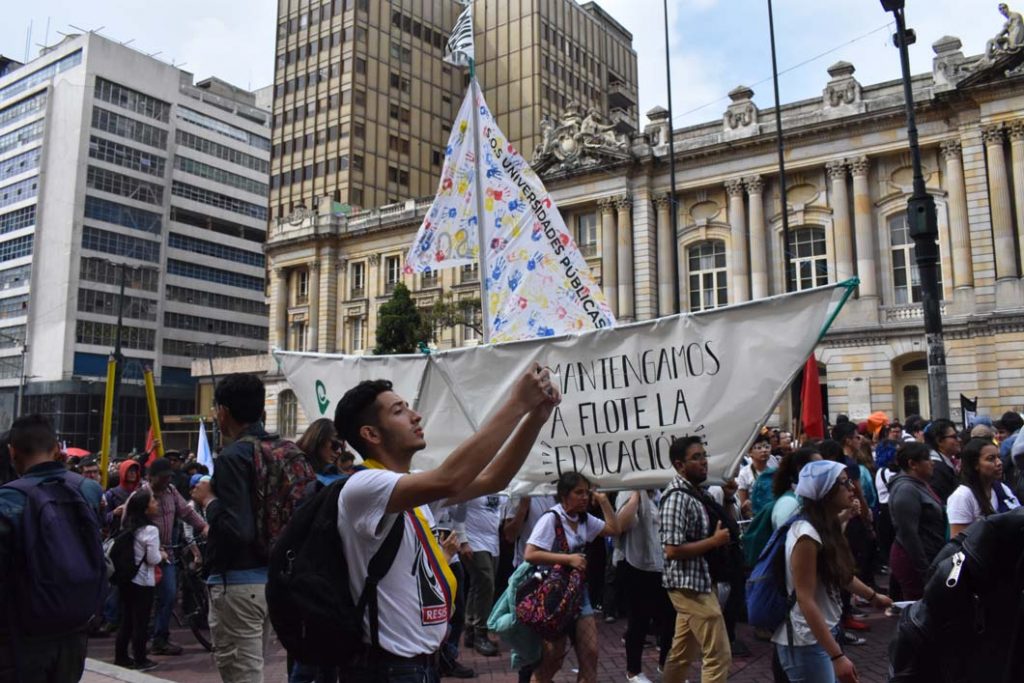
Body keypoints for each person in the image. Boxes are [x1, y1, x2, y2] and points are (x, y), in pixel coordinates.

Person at [333, 366, 559, 682]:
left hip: (423, 664)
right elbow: (451, 478)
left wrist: (536, 416)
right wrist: (517, 404)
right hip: (388, 669)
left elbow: (496, 478)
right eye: (399, 411)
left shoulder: (412, 487)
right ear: (370, 434)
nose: (415, 417)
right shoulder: (362, 486)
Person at [190, 373, 283, 683]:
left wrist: (208, 501)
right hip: (273, 581)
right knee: (252, 670)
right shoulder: (282, 451)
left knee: (242, 676)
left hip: (238, 585)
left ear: (224, 412)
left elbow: (237, 529)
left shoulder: (233, 457)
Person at [0, 414, 104, 683]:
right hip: (75, 628)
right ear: (57, 448)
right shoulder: (88, 490)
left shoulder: (8, 500)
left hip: (22, 636)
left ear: (12, 451)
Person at [772, 460, 893, 683]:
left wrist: (874, 597)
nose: (852, 488)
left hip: (821, 634)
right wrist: (837, 655)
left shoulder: (823, 527)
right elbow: (805, 598)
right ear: (825, 491)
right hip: (805, 640)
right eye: (844, 483)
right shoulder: (806, 535)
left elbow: (840, 574)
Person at [523, 473, 619, 683]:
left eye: (587, 492)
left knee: (590, 653)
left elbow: (614, 529)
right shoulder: (551, 518)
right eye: (579, 493)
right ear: (564, 496)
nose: (585, 497)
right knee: (553, 659)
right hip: (553, 597)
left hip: (578, 593)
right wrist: (568, 559)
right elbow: (530, 554)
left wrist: (603, 501)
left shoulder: (584, 519)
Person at [660, 436, 733, 683]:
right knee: (718, 655)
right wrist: (713, 542)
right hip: (688, 585)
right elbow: (671, 549)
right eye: (696, 457)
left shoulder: (695, 492)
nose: (704, 462)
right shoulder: (677, 497)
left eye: (704, 455)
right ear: (680, 465)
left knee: (682, 653)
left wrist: (730, 497)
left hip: (700, 580)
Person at [145, 457, 207, 656]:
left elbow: (187, 513)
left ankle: (160, 637)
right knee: (144, 600)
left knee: (169, 594)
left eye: (168, 477)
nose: (165, 482)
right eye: (162, 478)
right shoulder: (143, 495)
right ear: (151, 477)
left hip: (167, 554)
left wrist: (204, 527)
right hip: (145, 556)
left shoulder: (172, 492)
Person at [616, 489, 677, 682]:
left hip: (662, 565)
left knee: (670, 619)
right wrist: (636, 493)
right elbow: (621, 525)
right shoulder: (627, 493)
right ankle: (633, 671)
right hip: (636, 565)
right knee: (639, 621)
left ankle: (665, 666)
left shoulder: (662, 494)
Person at [888, 442, 948, 601]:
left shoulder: (921, 484)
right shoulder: (906, 489)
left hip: (930, 553)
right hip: (913, 559)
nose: (932, 463)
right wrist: (924, 569)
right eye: (927, 459)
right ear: (912, 464)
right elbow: (909, 534)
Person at [114, 490, 165, 672]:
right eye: (152, 501)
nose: (156, 504)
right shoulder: (150, 530)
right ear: (145, 509)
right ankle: (140, 658)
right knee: (141, 621)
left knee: (127, 619)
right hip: (143, 581)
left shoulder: (128, 526)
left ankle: (121, 656)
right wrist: (162, 554)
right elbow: (152, 559)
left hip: (127, 579)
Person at [460, 494, 506, 657]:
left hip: (492, 541)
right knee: (486, 583)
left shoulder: (501, 485)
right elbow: (458, 510)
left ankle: (470, 630)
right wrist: (463, 540)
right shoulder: (475, 481)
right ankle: (481, 632)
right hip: (473, 541)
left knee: (479, 585)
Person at [948, 437, 1021, 536]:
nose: (999, 463)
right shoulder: (962, 496)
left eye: (998, 457)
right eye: (991, 459)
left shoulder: (1001, 488)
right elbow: (958, 542)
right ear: (975, 464)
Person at [771, 446, 823, 530]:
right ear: (800, 470)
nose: (823, 471)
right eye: (818, 467)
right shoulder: (788, 504)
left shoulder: (808, 498)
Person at [297, 418, 346, 488]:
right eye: (335, 445)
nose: (339, 452)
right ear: (319, 439)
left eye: (342, 448)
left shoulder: (337, 475)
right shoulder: (294, 465)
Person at [737, 433, 778, 518]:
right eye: (759, 448)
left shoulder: (774, 470)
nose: (764, 450)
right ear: (750, 452)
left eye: (766, 447)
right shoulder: (744, 473)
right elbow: (744, 505)